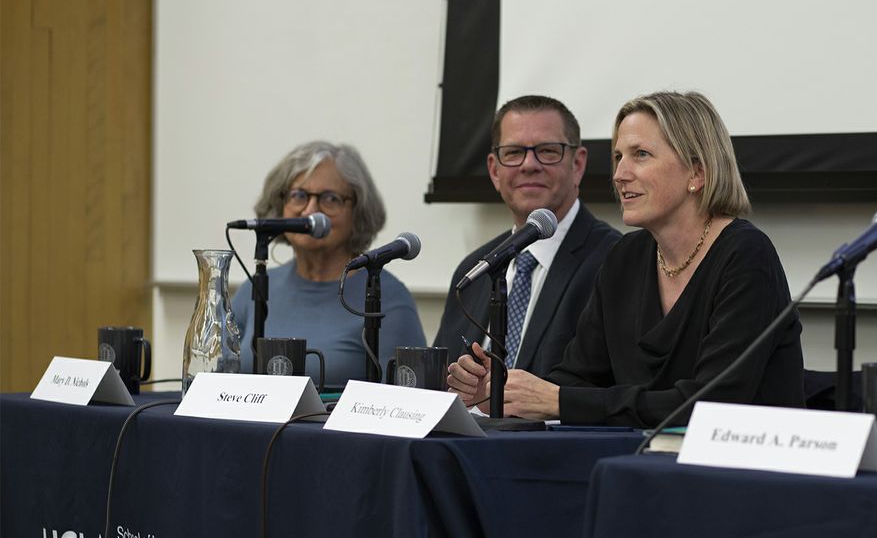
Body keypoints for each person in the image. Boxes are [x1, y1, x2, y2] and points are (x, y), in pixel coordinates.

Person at [449, 91, 805, 427]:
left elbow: (713, 404)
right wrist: (502, 392)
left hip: (738, 475)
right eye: (619, 157)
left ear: (696, 173)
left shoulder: (745, 256)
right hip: (639, 466)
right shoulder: (626, 258)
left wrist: (559, 400)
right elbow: (577, 378)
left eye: (641, 155)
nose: (620, 175)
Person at [432, 95, 620, 376]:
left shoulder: (615, 260)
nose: (529, 164)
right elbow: (438, 381)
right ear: (495, 170)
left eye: (547, 151)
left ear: (578, 165)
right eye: (514, 152)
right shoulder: (474, 271)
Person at [232, 141, 426, 388]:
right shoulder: (254, 289)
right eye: (299, 196)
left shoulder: (388, 297)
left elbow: (409, 402)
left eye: (330, 199)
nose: (312, 212)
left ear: (358, 212)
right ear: (280, 205)